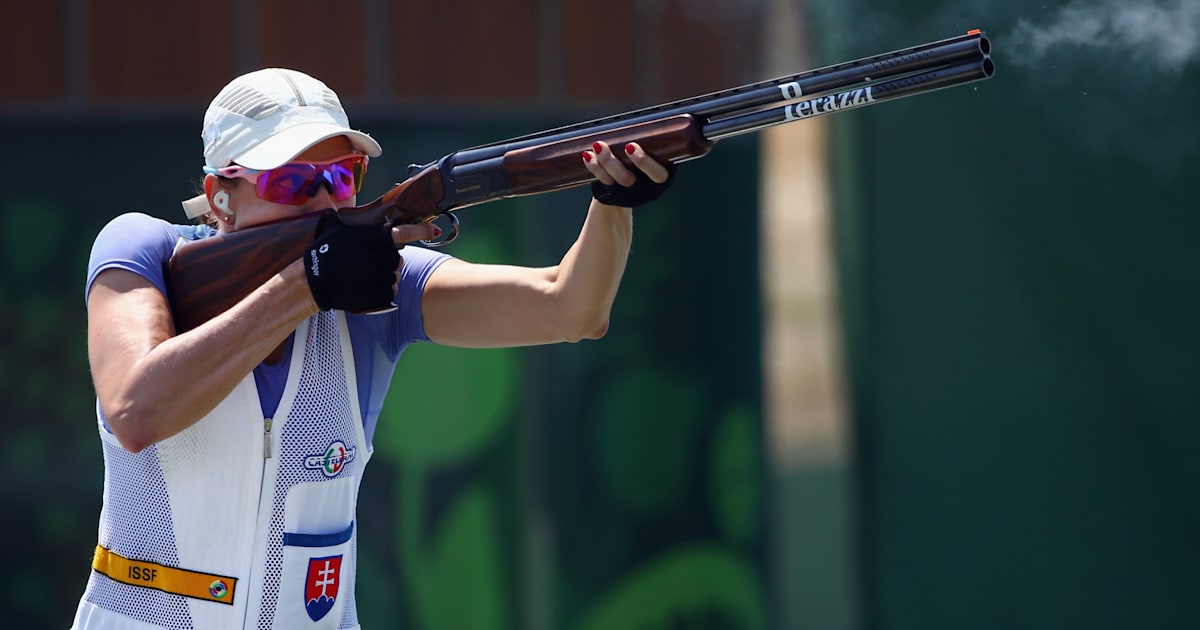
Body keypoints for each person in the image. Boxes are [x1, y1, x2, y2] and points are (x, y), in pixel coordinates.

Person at [73, 68, 674, 629]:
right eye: (292, 182)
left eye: (341, 177)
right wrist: (304, 287)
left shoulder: (377, 282)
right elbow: (136, 410)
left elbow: (569, 308)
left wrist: (612, 203)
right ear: (220, 194)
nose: (324, 200)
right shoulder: (146, 249)